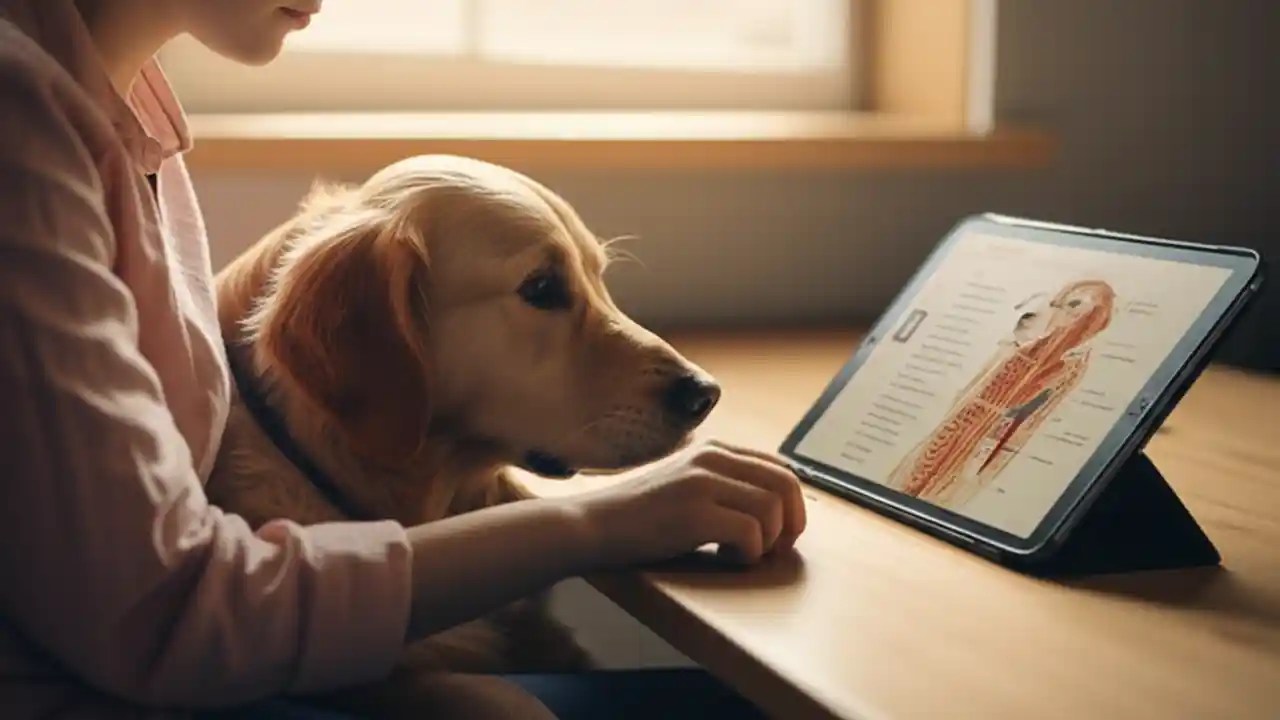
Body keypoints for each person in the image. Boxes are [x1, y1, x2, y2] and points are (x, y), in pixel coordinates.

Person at [0, 1, 807, 718]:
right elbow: (160, 614)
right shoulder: (20, 125)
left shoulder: (122, 116)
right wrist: (596, 522)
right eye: (542, 291)